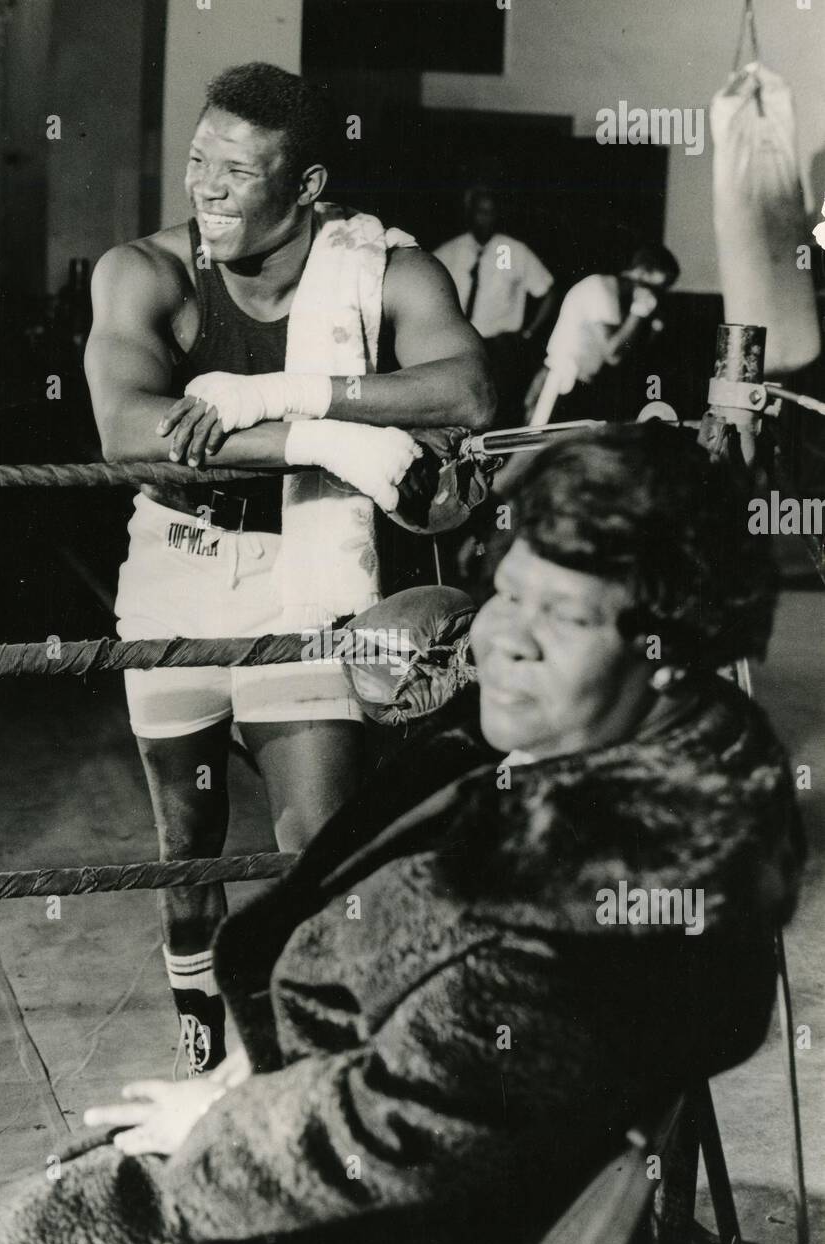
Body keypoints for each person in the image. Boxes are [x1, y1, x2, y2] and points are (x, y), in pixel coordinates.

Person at [0, 422, 804, 1244]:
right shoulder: (600, 767)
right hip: (300, 1161)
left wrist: (221, 1121)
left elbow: (404, 1136)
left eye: (566, 617)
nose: (502, 638)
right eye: (508, 593)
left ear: (668, 658)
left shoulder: (610, 891)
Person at [84, 63, 495, 1074]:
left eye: (236, 170)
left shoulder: (383, 268)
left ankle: (296, 1065)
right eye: (196, 161)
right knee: (187, 835)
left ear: (307, 187)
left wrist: (282, 393)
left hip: (303, 561)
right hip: (176, 563)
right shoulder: (144, 271)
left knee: (314, 828)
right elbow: (127, 430)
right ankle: (198, 1048)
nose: (206, 188)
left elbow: (471, 392)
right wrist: (325, 440)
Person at [435, 187, 556, 423]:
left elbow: (548, 291)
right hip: (461, 344)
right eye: (480, 212)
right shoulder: (450, 251)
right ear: (470, 214)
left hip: (501, 349)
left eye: (491, 212)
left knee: (501, 410)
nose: (485, 218)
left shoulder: (513, 250)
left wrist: (529, 332)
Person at [524, 243, 680, 425]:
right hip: (560, 382)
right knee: (535, 450)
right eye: (659, 288)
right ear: (642, 272)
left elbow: (627, 354)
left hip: (578, 385)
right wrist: (639, 311)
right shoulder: (599, 288)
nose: (658, 295)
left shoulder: (618, 299)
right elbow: (612, 353)